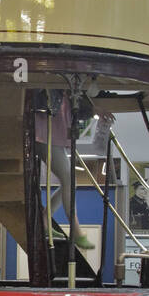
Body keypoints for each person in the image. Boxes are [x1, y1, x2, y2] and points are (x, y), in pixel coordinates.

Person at [35, 90, 92, 251]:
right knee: (68, 180)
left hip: (52, 136)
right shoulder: (58, 84)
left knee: (70, 181)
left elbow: (79, 111)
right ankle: (76, 231)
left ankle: (46, 219)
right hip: (45, 134)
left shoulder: (68, 90)